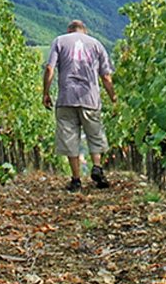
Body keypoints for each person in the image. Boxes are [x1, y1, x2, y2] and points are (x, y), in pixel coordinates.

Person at [43, 20, 117, 191]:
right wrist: (113, 98)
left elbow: (49, 68)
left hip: (66, 97)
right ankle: (97, 167)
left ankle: (76, 180)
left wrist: (46, 93)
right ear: (86, 31)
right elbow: (106, 76)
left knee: (69, 137)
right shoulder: (96, 44)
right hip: (90, 98)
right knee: (94, 133)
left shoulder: (60, 41)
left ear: (69, 30)